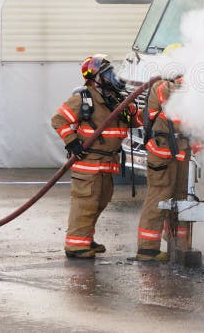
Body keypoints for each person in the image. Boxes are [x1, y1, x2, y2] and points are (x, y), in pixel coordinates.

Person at [51, 54, 137, 259]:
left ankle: (85, 238)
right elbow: (58, 119)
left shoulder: (115, 100)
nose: (113, 77)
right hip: (89, 164)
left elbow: (137, 120)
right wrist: (71, 141)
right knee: (85, 203)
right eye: (108, 74)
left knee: (100, 201)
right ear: (95, 78)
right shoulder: (83, 98)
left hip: (107, 163)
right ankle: (76, 245)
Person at [135, 53, 201, 262]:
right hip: (162, 153)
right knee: (159, 198)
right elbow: (178, 107)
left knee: (182, 199)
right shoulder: (162, 87)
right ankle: (147, 249)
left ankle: (179, 245)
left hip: (181, 152)